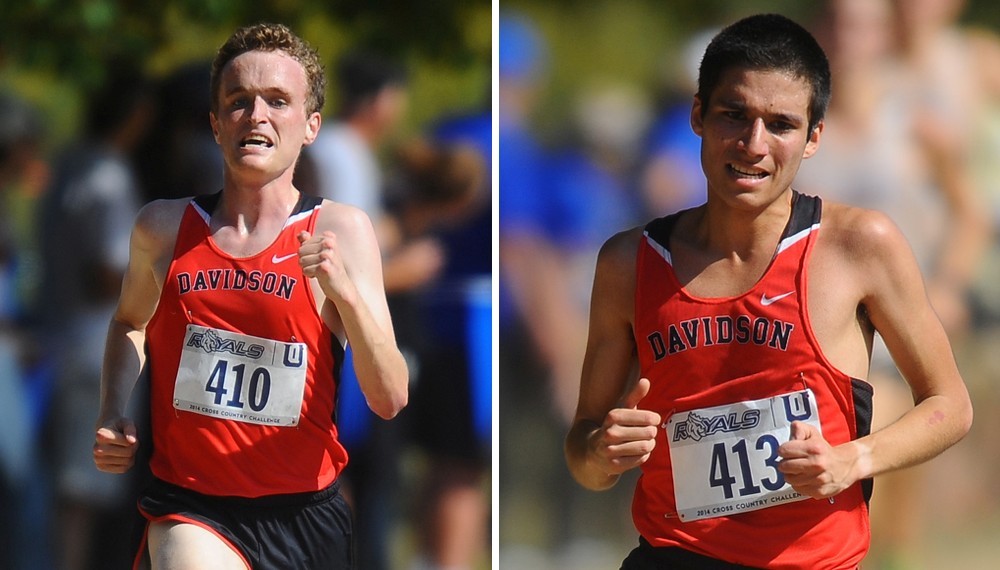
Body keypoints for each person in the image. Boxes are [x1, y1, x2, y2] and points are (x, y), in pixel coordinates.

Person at [564, 13, 973, 569]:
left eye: (781, 124)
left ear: (813, 138)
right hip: (672, 557)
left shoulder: (859, 246)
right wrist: (600, 449)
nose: (754, 144)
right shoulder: (627, 263)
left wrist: (854, 459)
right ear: (697, 116)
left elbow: (950, 406)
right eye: (735, 115)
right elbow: (584, 459)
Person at [92, 22, 408, 570]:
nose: (256, 115)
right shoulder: (163, 228)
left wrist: (347, 299)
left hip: (304, 516)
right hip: (190, 505)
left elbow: (390, 397)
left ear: (310, 125)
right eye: (239, 102)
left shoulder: (342, 230)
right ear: (217, 125)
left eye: (277, 101)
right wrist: (113, 410)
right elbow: (129, 323)